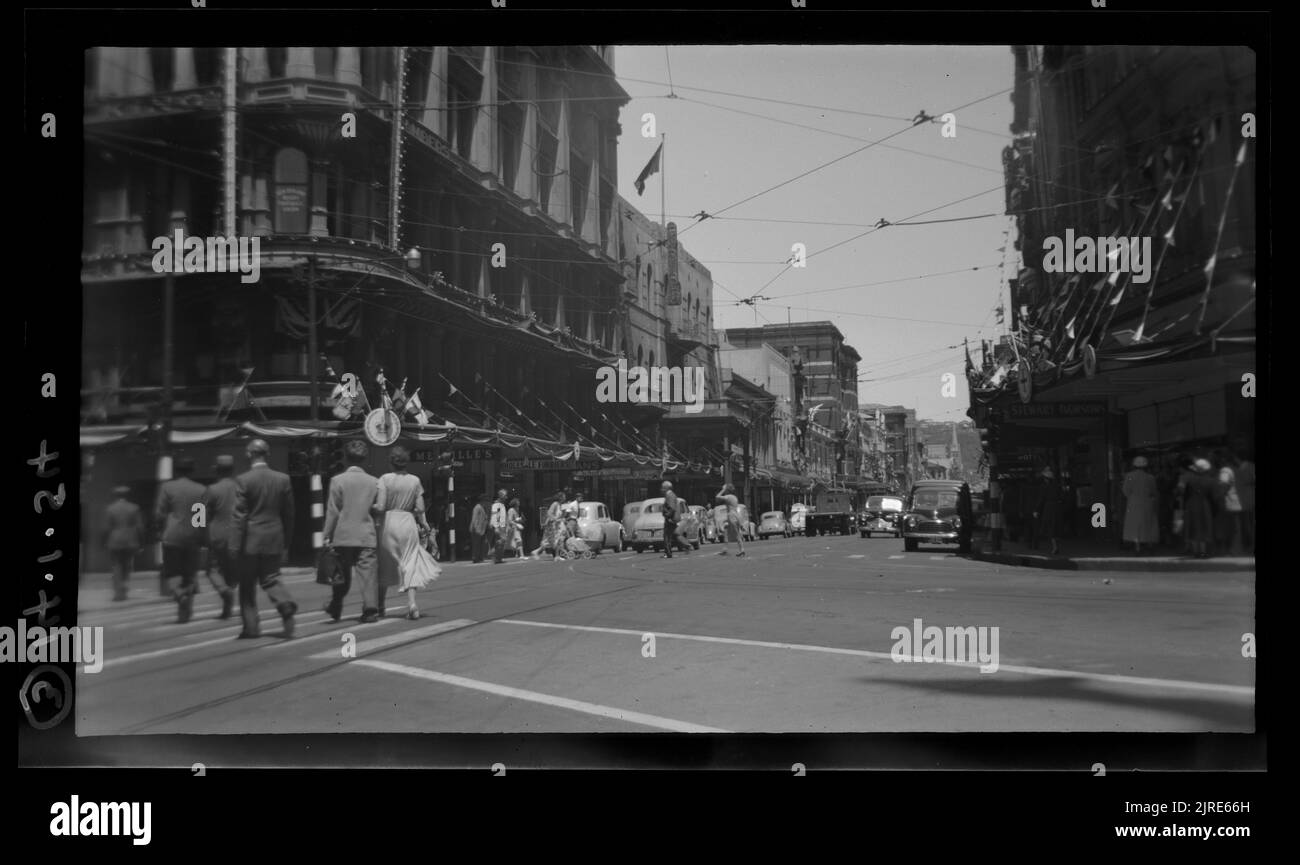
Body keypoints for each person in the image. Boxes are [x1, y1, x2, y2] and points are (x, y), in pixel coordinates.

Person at [229, 439, 299, 638]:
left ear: (249, 454)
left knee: (247, 585)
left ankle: (251, 627)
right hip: (274, 537)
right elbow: (289, 514)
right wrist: (286, 542)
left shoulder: (243, 480)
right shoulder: (283, 479)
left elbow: (239, 515)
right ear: (267, 455)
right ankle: (284, 604)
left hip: (249, 541)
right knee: (271, 578)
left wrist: (233, 545)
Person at [155, 456, 224, 624]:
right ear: (192, 471)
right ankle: (185, 612)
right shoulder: (201, 489)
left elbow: (159, 514)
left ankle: (180, 596)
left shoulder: (167, 487)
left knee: (171, 573)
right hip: (192, 537)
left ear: (176, 471)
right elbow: (200, 518)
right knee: (189, 575)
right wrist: (201, 537)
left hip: (172, 536)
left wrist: (160, 530)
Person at [375, 446, 440, 620]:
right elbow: (420, 508)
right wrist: (424, 525)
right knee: (410, 562)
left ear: (391, 462)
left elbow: (380, 506)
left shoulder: (384, 479)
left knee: (385, 562)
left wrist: (369, 507)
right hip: (407, 523)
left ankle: (380, 606)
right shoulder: (415, 480)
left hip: (388, 522)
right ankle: (412, 604)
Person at [322, 440, 380, 623]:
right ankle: (370, 610)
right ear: (365, 459)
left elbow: (332, 511)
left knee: (341, 574)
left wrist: (326, 535)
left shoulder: (337, 481)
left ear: (346, 458)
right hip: (366, 535)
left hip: (343, 535)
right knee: (368, 574)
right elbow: (377, 510)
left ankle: (336, 606)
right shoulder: (374, 482)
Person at [203, 455, 240, 619]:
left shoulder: (211, 489)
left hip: (217, 536)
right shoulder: (241, 488)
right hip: (237, 536)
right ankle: (227, 606)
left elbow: (199, 515)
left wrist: (199, 534)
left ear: (217, 470)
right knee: (231, 573)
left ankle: (224, 592)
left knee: (212, 570)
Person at [103, 486, 143, 602]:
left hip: (114, 540)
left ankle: (117, 592)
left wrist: (104, 541)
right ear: (127, 495)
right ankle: (124, 587)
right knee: (127, 565)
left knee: (116, 565)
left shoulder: (110, 509)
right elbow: (139, 527)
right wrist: (141, 542)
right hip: (130, 541)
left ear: (116, 496)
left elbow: (106, 528)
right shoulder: (134, 508)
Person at [1176, 456, 1221, 559]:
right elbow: (1215, 496)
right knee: (1204, 526)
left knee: (1193, 526)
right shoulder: (1211, 480)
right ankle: (1203, 551)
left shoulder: (1186, 477)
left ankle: (1196, 551)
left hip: (1191, 504)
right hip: (1205, 505)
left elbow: (1180, 491)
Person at [1121, 455, 1160, 555]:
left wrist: (1132, 497)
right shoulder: (1150, 477)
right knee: (1148, 524)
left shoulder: (1129, 476)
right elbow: (1154, 491)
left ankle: (1137, 547)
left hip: (1133, 503)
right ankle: (1149, 544)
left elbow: (1125, 491)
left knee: (1135, 525)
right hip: (1147, 503)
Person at [1032, 466, 1063, 557]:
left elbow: (1041, 499)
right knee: (1055, 526)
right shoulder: (1057, 486)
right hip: (1057, 507)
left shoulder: (1044, 487)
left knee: (1050, 527)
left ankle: (1054, 546)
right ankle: (1055, 545)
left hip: (1048, 508)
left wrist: (1036, 510)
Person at [714, 483, 746, 557]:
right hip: (735, 516)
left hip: (731, 516)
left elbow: (717, 497)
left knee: (737, 535)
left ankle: (742, 550)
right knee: (726, 529)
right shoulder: (735, 497)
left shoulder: (729, 497)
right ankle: (725, 549)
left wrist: (723, 489)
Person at [660, 481, 691, 558]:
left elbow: (672, 508)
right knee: (675, 534)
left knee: (666, 536)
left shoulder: (670, 495)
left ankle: (668, 553)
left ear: (667, 488)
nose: (662, 489)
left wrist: (668, 516)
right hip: (672, 518)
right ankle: (686, 545)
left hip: (670, 518)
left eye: (663, 488)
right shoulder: (671, 495)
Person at [533, 491, 565, 560]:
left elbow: (558, 515)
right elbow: (549, 513)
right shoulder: (555, 504)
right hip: (552, 526)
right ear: (561, 497)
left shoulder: (559, 505)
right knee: (550, 541)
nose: (565, 498)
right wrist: (555, 519)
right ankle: (536, 551)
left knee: (557, 540)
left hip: (556, 526)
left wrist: (561, 519)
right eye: (564, 496)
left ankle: (557, 556)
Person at [1236, 450, 1255, 555]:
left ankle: (1251, 546)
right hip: (1246, 498)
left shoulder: (1248, 466)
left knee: (1250, 524)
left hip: (1249, 498)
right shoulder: (1243, 467)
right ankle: (1250, 546)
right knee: (1248, 524)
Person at [490, 488, 509, 564]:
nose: (506, 497)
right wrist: (496, 527)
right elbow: (495, 516)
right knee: (501, 541)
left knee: (502, 542)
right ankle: (494, 553)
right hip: (499, 526)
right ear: (501, 496)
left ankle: (498, 558)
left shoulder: (501, 504)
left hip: (502, 526)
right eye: (505, 496)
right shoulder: (497, 504)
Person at [469, 494, 489, 563]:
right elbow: (474, 518)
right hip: (477, 529)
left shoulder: (482, 507)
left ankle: (480, 557)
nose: (486, 502)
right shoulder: (477, 507)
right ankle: (475, 558)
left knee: (482, 543)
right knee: (476, 544)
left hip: (481, 530)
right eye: (485, 500)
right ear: (482, 501)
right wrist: (475, 528)